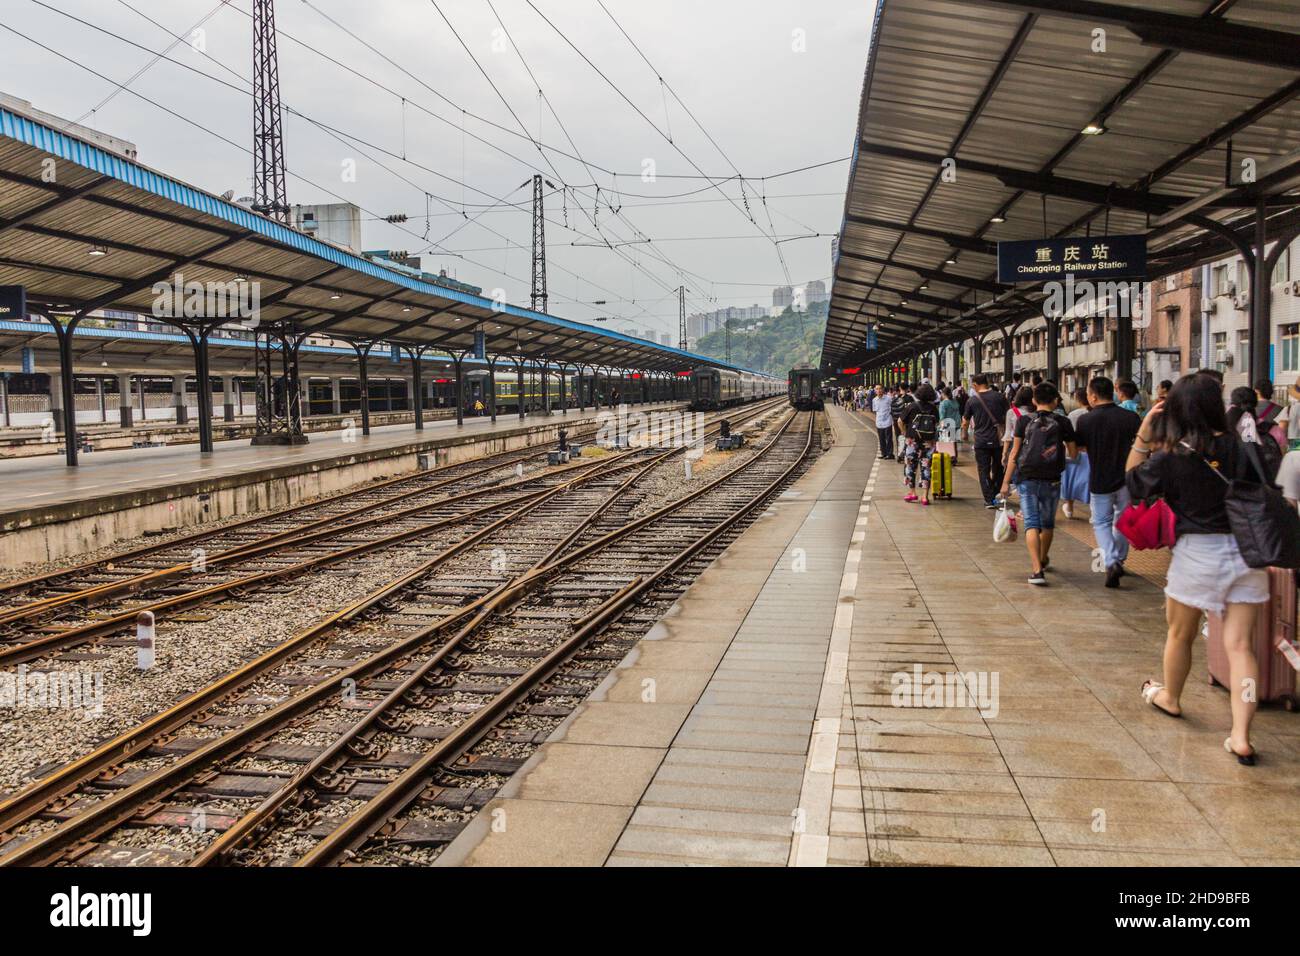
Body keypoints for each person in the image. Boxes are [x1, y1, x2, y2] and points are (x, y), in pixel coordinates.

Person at [1129, 374, 1271, 765]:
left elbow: (1133, 484)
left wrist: (1142, 435)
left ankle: (1171, 697)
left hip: (1197, 554)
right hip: (1247, 552)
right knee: (1241, 647)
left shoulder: (1174, 455)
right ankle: (1241, 737)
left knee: (1180, 633)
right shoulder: (1244, 447)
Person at [999, 382, 1077, 585]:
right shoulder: (1064, 422)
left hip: (1027, 478)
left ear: (1034, 401)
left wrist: (1005, 483)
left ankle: (1036, 570)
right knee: (1047, 523)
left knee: (1032, 523)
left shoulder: (1024, 421)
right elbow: (1074, 453)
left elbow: (1014, 454)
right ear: (1056, 401)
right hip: (1052, 478)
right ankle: (1043, 558)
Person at [1074, 377, 1139, 588]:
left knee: (1101, 522)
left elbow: (1080, 447)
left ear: (1092, 396)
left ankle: (1111, 561)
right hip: (1127, 478)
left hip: (1100, 477)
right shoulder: (1131, 418)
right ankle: (1118, 559)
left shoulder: (1086, 420)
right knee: (1122, 520)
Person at [962, 373, 1009, 509]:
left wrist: (964, 434)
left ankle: (989, 499)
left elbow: (965, 421)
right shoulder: (1000, 397)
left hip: (981, 440)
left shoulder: (972, 400)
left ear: (975, 385)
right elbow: (1008, 416)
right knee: (999, 468)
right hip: (999, 440)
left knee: (983, 470)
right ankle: (995, 494)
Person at [900, 383, 941, 505]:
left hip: (912, 441)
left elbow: (900, 421)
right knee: (926, 468)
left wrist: (905, 434)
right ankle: (925, 497)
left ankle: (912, 493)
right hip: (928, 443)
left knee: (910, 467)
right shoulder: (933, 408)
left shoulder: (912, 406)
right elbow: (937, 424)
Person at [1060, 387, 1092, 519]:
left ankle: (1069, 507)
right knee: (1088, 482)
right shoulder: (1094, 412)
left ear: (1077, 399)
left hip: (1074, 453)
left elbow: (1068, 436)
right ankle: (1093, 510)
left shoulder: (1074, 415)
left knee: (1071, 481)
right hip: (1091, 453)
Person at [1002, 385, 1035, 487]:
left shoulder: (1012, 412)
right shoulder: (1036, 413)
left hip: (1015, 445)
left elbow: (1008, 435)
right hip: (1033, 445)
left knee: (1015, 470)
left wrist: (1004, 453)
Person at [891, 383, 915, 464]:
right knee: (908, 439)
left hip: (897, 421)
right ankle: (906, 455)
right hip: (907, 422)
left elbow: (892, 411)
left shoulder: (896, 399)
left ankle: (900, 455)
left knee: (899, 438)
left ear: (900, 388)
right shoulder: (910, 398)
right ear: (908, 388)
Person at [871, 384, 895, 459]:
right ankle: (883, 453)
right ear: (875, 391)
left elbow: (892, 408)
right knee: (881, 439)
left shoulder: (888, 398)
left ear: (883, 389)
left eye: (880, 388)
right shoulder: (874, 400)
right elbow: (875, 411)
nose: (878, 390)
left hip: (887, 421)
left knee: (889, 439)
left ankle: (890, 454)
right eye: (877, 389)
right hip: (879, 422)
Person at [937, 387, 961, 462]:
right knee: (953, 440)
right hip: (956, 424)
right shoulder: (954, 401)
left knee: (947, 441)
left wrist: (941, 426)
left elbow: (942, 416)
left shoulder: (943, 403)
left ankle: (950, 457)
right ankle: (954, 456)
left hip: (947, 424)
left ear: (943, 394)